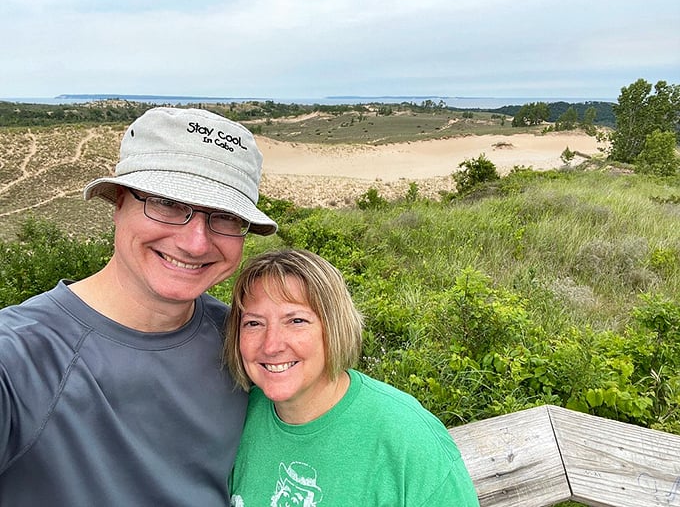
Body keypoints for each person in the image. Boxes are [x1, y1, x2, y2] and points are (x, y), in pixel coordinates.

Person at [0, 107, 278, 506]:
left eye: (225, 216)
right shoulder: (19, 358)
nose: (195, 243)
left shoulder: (248, 342)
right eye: (167, 203)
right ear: (118, 203)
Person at [223, 248, 480, 506]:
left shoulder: (407, 440)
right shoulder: (236, 417)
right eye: (254, 323)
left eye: (297, 320)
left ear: (335, 327)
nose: (271, 345)